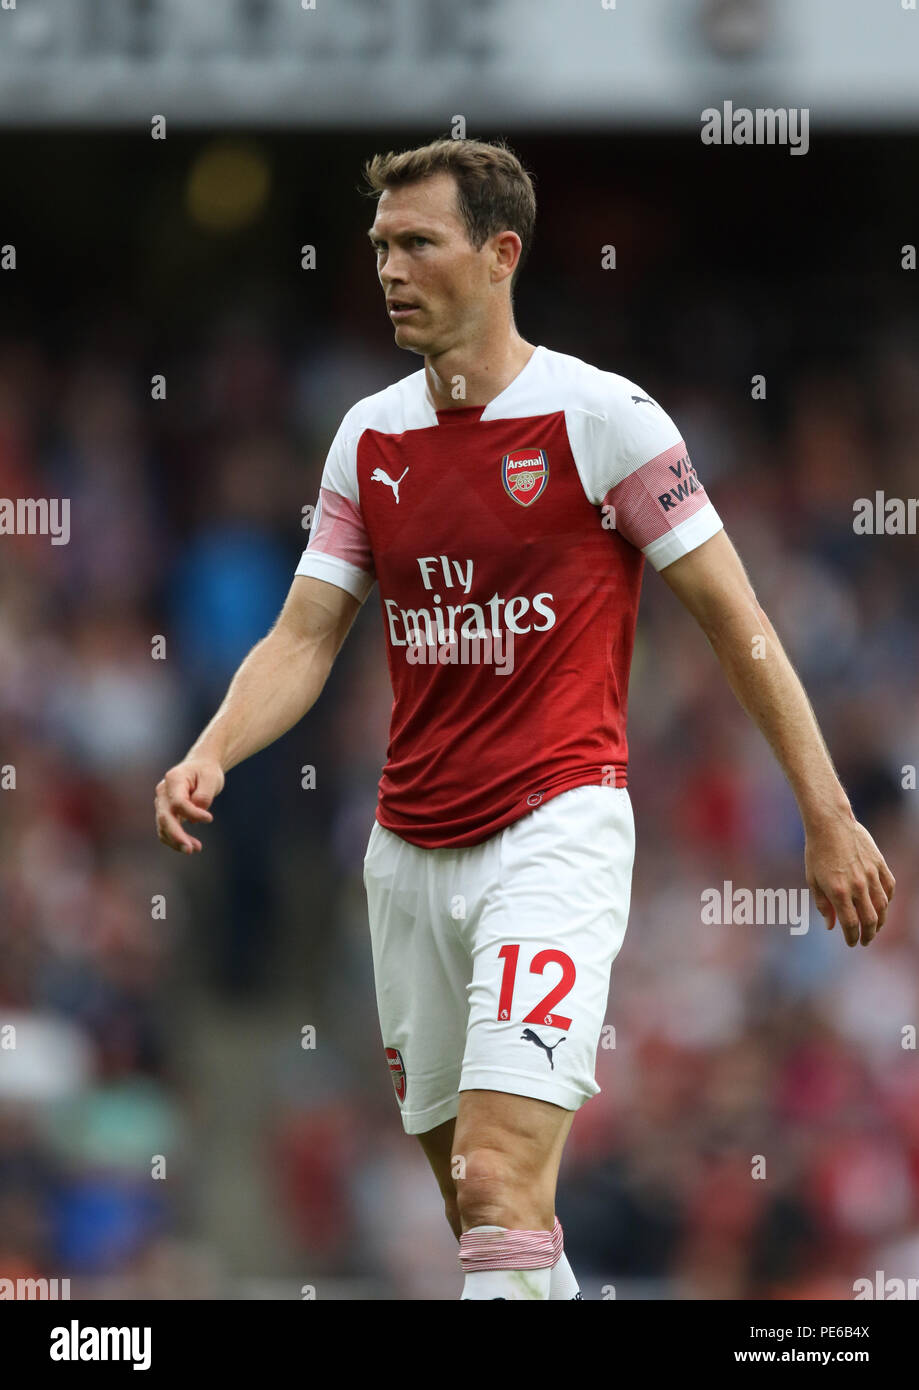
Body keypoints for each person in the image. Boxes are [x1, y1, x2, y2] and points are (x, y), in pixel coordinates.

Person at [154, 137, 895, 1300]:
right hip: (406, 853)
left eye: (418, 243)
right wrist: (212, 748)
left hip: (554, 831)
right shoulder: (369, 436)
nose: (390, 268)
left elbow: (738, 620)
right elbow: (304, 636)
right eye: (380, 247)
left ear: (500, 255)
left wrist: (827, 812)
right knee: (483, 1215)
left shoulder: (605, 419)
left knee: (500, 1178)